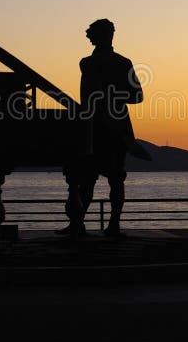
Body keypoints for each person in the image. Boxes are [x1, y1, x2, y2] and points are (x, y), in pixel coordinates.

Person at [58, 18, 145, 238]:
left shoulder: (122, 63)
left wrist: (108, 96)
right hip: (92, 126)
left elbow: (138, 96)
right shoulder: (86, 63)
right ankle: (78, 224)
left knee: (114, 178)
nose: (88, 36)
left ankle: (113, 224)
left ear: (104, 35)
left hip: (114, 129)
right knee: (88, 178)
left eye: (92, 33)